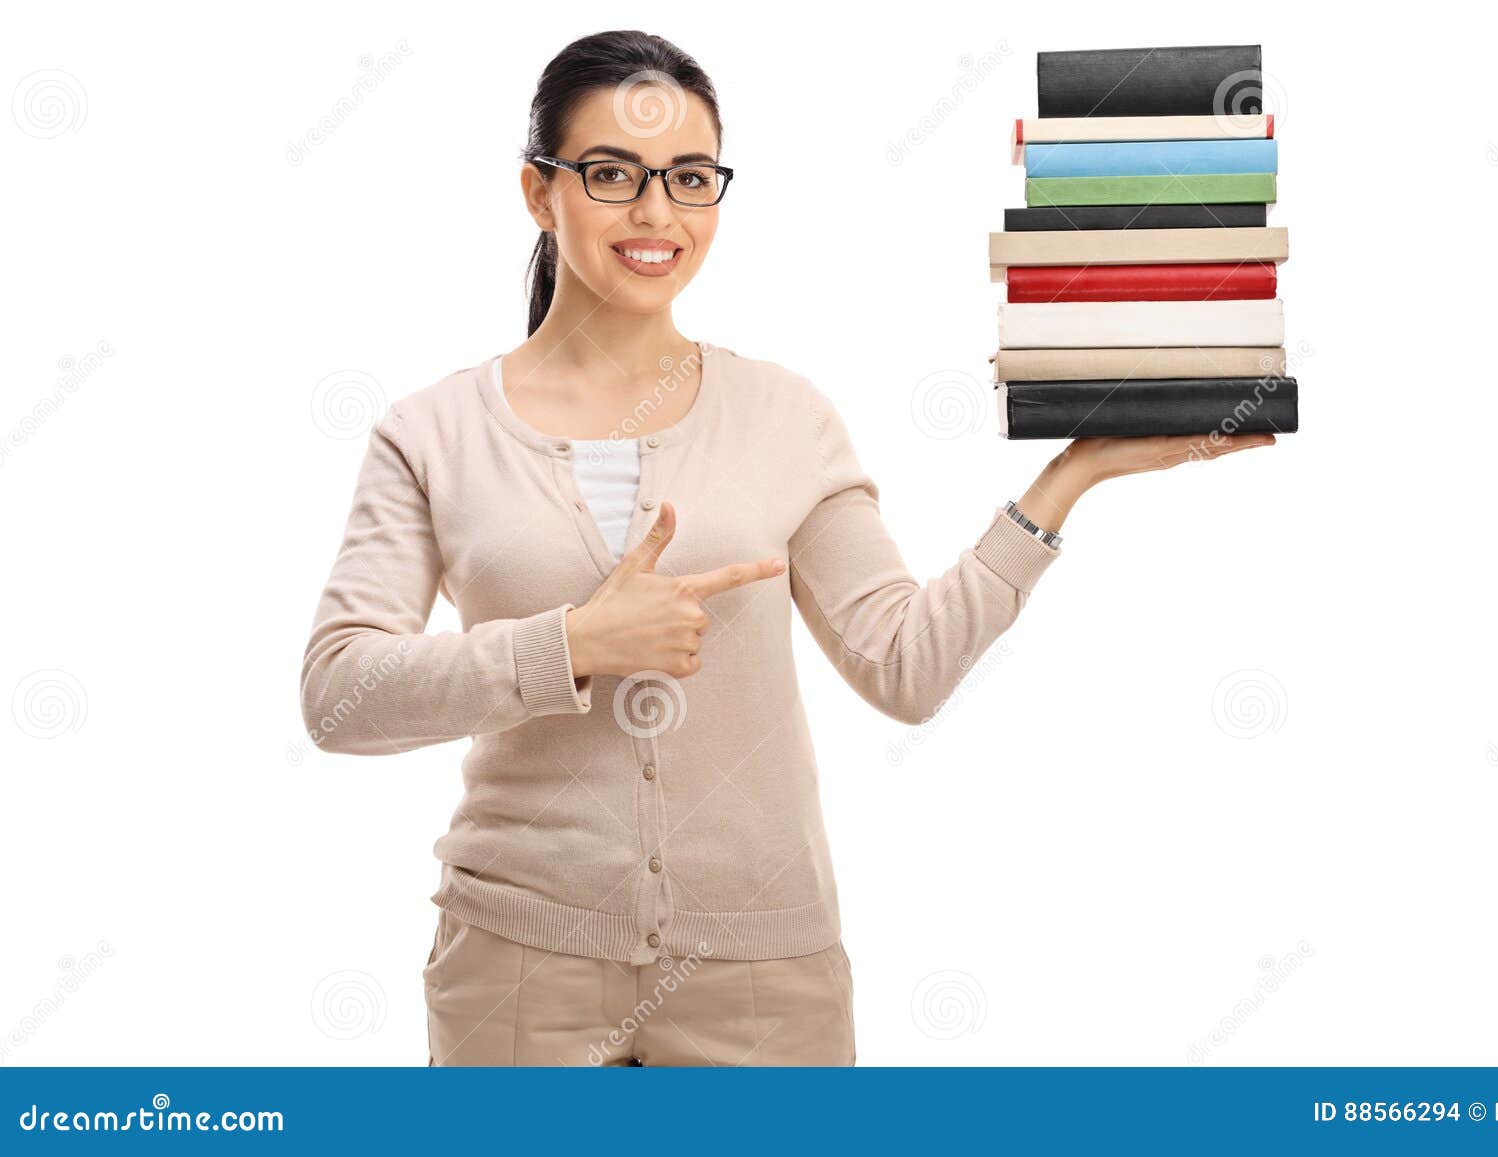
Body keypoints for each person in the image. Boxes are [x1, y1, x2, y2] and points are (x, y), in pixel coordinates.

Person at [298, 29, 1274, 1067]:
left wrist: (1068, 479)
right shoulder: (431, 430)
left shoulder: (785, 415)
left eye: (689, 178)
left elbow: (904, 666)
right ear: (539, 192)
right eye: (611, 175)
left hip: (763, 977)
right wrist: (574, 641)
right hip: (515, 973)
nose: (656, 213)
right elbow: (340, 694)